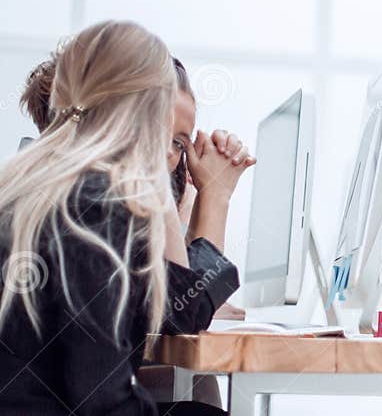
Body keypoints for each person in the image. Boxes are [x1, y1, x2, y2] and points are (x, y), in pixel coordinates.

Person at [0, 21, 234, 415]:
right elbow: (100, 398)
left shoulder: (29, 187)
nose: (171, 154)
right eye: (171, 138)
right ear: (146, 116)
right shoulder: (95, 210)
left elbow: (176, 311)